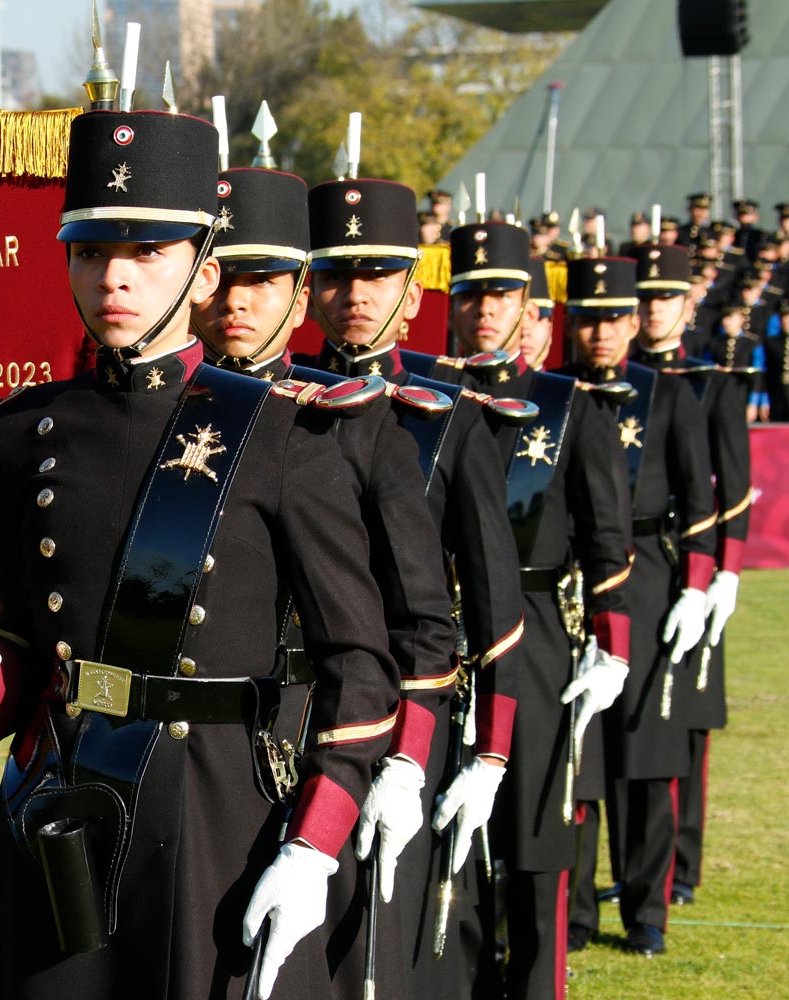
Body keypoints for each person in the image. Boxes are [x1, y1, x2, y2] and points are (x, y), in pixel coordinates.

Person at [0, 106, 400, 1000]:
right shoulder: (25, 432)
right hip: (64, 798)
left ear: (203, 272)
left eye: (147, 255)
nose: (114, 279)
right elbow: (34, 641)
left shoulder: (282, 433)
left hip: (218, 818)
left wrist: (315, 844)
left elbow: (360, 667)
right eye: (91, 252)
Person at [191, 165, 457, 1000]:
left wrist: (409, 759)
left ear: (296, 296)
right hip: (205, 748)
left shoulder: (351, 421)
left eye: (259, 280)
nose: (236, 300)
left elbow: (419, 618)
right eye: (221, 277)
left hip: (330, 735)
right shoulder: (175, 417)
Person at [293, 177, 527, 1000]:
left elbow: (496, 604)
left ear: (412, 288)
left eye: (378, 276)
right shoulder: (280, 406)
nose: (356, 295)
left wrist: (491, 752)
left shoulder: (451, 418)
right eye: (337, 275)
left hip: (409, 729)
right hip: (293, 719)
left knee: (391, 953)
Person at [440, 223, 633, 998]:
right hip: (441, 636)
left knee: (532, 841)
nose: (484, 310)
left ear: (530, 307)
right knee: (448, 844)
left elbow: (607, 535)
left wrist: (611, 648)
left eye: (501, 295)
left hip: (539, 634)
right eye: (470, 294)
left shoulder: (566, 404)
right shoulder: (431, 396)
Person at [561, 257, 716, 958]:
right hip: (572, 591)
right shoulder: (553, 394)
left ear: (633, 322)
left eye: (613, 318)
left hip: (650, 583)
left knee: (645, 760)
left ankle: (646, 910)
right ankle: (579, 911)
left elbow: (700, 500)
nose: (601, 332)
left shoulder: (666, 393)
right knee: (582, 755)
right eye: (587, 318)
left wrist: (699, 584)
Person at [623, 242, 750, 909]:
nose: (652, 310)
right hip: (633, 569)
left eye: (665, 297)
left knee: (683, 726)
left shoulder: (710, 383)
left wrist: (725, 572)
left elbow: (732, 486)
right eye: (642, 298)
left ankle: (681, 865)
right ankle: (640, 863)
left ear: (688, 303)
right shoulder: (613, 376)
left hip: (686, 566)